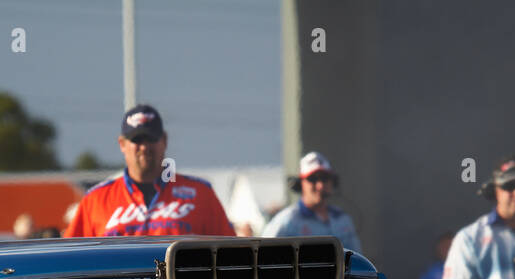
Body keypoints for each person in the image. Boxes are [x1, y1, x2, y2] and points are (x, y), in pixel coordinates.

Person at [64, 105, 234, 238]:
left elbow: (230, 256)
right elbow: (69, 261)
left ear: (164, 140)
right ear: (122, 144)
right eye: (137, 139)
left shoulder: (201, 194)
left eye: (151, 139)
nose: (144, 147)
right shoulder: (96, 200)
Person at [262, 151, 362, 253]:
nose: (320, 186)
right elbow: (263, 254)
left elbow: (357, 261)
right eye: (313, 179)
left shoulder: (343, 219)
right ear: (300, 184)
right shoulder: (287, 221)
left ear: (333, 182)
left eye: (325, 178)